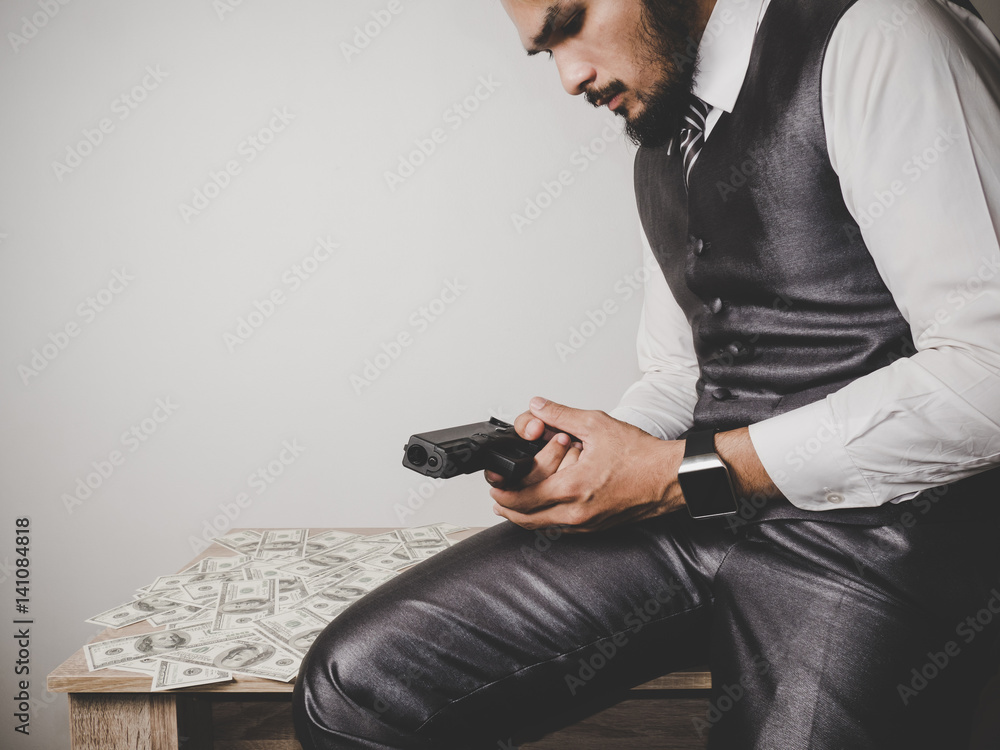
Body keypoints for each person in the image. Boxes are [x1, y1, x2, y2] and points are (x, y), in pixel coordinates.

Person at [294, 0, 1000, 748]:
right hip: (701, 515)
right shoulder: (665, 131)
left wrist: (681, 475)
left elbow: (988, 369)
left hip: (884, 537)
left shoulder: (881, 35)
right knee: (353, 692)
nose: (569, 77)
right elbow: (680, 372)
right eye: (546, 50)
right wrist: (591, 463)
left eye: (571, 22)